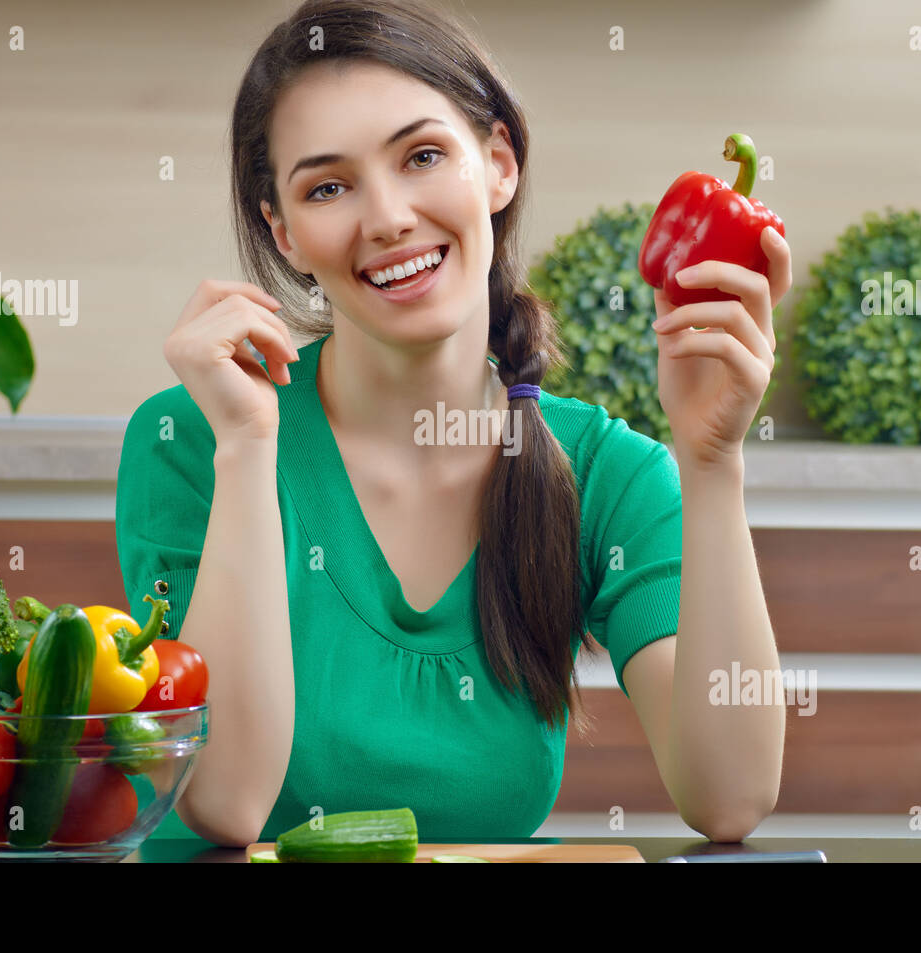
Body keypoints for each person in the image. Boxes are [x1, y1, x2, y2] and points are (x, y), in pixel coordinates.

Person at [116, 0, 790, 847]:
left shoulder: (608, 473)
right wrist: (250, 450)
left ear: (498, 163)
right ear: (281, 231)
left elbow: (729, 797)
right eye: (329, 186)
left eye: (423, 155)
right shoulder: (195, 439)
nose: (389, 216)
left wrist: (714, 459)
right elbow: (223, 807)